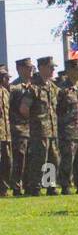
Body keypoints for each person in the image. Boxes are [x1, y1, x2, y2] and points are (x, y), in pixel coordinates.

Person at [20, 56, 60, 196]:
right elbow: (24, 108)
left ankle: (50, 185)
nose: (53, 70)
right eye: (50, 67)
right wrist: (35, 120)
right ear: (42, 68)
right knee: (39, 159)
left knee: (53, 158)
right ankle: (35, 186)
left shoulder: (53, 87)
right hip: (39, 130)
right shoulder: (34, 88)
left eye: (53, 67)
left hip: (52, 129)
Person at [56, 57, 78, 194]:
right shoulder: (62, 89)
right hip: (68, 130)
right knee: (67, 160)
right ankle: (65, 185)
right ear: (69, 71)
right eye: (77, 70)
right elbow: (56, 109)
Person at [9, 58, 33, 195]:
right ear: (19, 69)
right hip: (18, 129)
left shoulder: (34, 86)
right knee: (19, 159)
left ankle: (30, 185)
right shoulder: (14, 88)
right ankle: (17, 187)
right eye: (27, 67)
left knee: (32, 159)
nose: (30, 70)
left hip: (33, 129)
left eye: (31, 67)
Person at [0, 68, 10, 197]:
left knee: (7, 162)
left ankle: (3, 189)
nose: (5, 78)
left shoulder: (6, 93)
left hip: (6, 134)